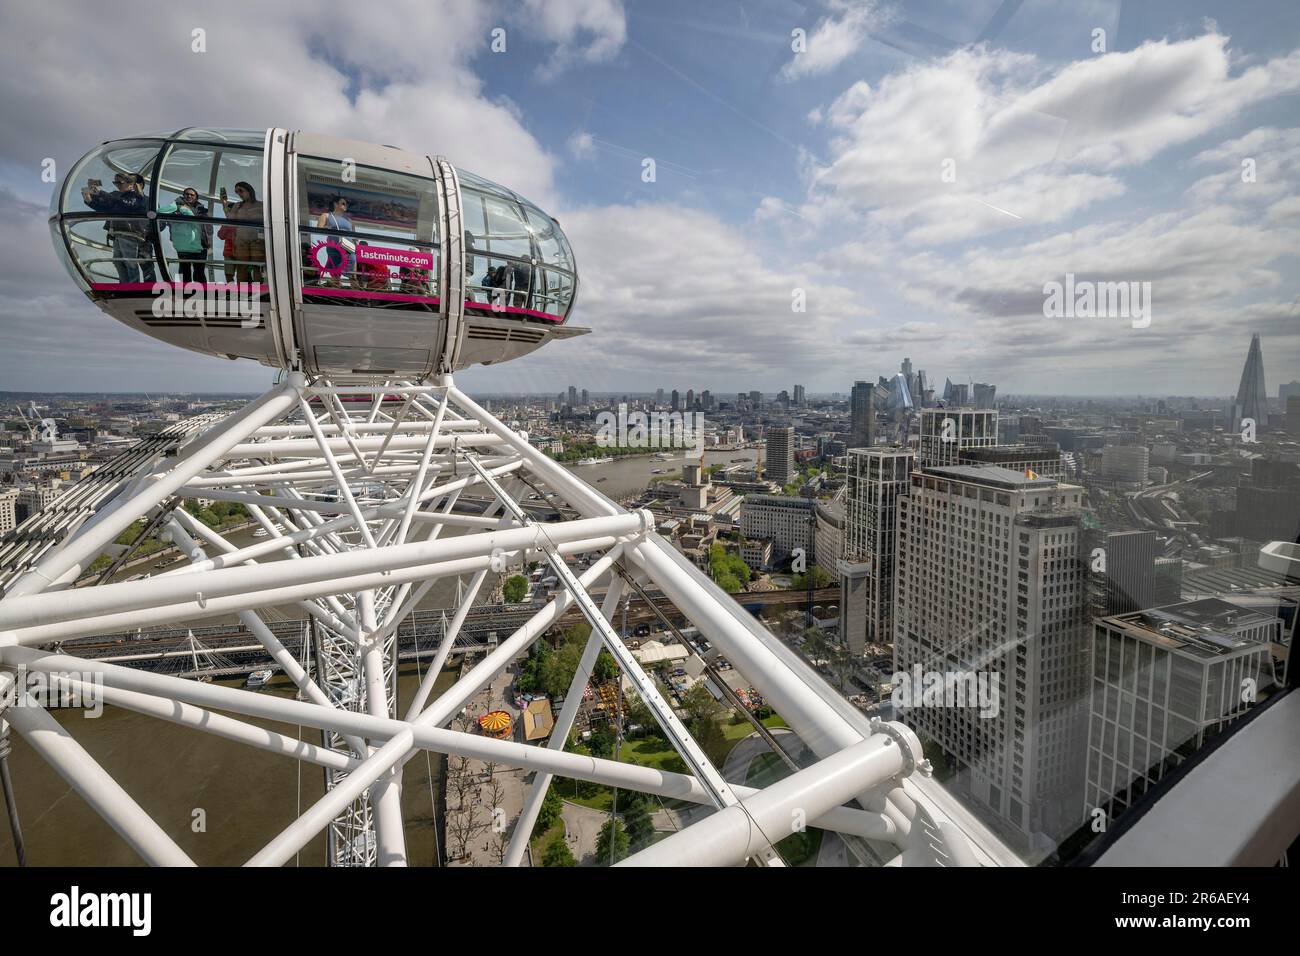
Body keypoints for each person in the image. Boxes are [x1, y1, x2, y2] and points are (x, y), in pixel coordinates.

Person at [81, 172, 154, 282]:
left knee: (140, 264)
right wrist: (89, 198)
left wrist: (100, 192)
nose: (118, 185)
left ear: (135, 185)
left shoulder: (142, 200)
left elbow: (128, 204)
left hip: (139, 236)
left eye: (122, 182)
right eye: (117, 183)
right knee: (119, 261)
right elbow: (105, 206)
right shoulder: (118, 196)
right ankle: (125, 285)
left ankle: (141, 287)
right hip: (120, 234)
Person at [156, 187, 210, 283]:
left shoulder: (202, 210)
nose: (189, 196)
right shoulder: (176, 206)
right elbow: (160, 212)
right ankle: (184, 293)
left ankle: (202, 293)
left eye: (192, 194)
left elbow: (208, 227)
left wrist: (207, 240)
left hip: (200, 245)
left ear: (196, 197)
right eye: (187, 194)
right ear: (183, 195)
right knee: (184, 270)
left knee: (199, 272)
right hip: (183, 245)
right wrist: (177, 209)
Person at [219, 180, 265, 283]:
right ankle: (243, 293)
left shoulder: (261, 205)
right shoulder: (237, 205)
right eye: (237, 192)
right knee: (242, 267)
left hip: (257, 241)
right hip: (240, 241)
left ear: (249, 190)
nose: (239, 194)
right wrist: (224, 203)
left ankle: (257, 293)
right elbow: (230, 218)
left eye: (241, 190)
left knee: (257, 267)